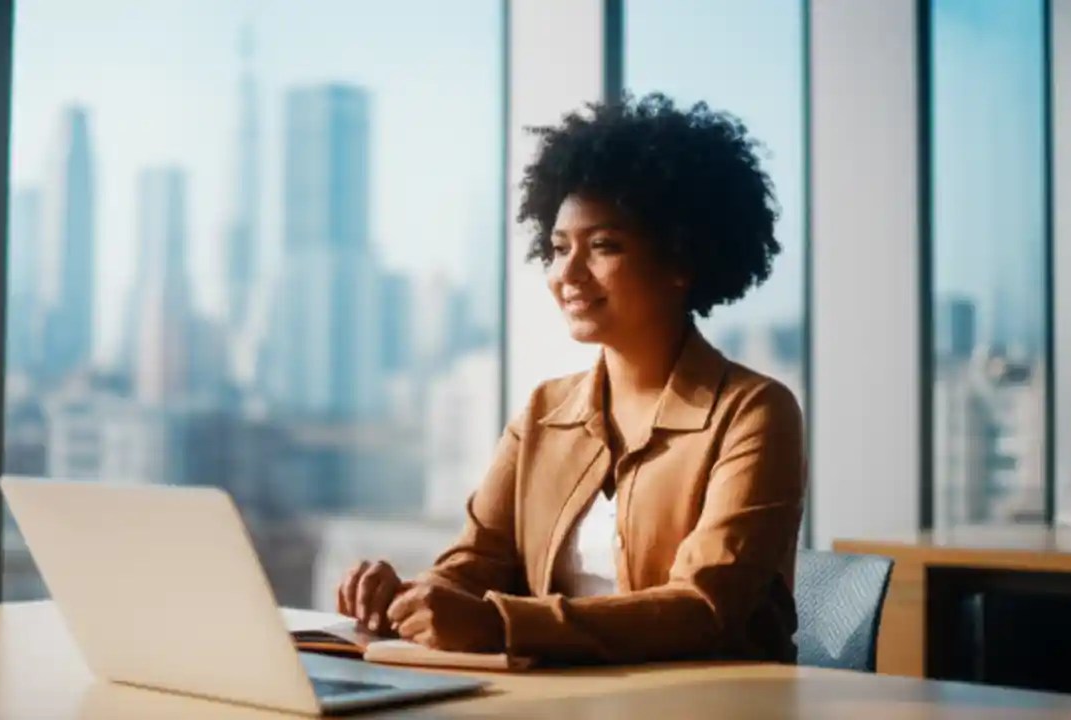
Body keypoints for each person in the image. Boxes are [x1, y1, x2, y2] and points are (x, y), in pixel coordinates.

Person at [338, 94, 805, 664]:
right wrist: (409, 596)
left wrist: (498, 622)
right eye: (559, 249)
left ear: (682, 260)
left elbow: (703, 607)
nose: (568, 274)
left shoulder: (753, 412)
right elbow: (477, 561)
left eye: (603, 246)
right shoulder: (544, 412)